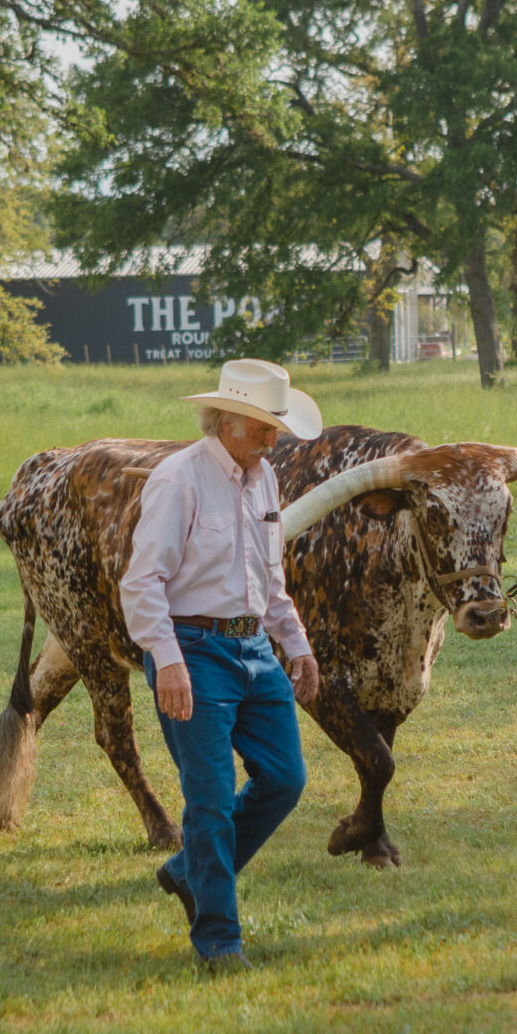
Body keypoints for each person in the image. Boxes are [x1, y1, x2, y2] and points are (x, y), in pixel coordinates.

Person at [120, 358, 324, 969]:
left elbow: (270, 577)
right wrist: (168, 662)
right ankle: (218, 942)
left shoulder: (264, 478)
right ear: (228, 420)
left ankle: (191, 871)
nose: (274, 439)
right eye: (264, 427)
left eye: (276, 427)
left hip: (254, 646)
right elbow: (142, 582)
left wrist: (297, 644)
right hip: (194, 650)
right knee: (208, 801)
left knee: (285, 779)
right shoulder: (177, 480)